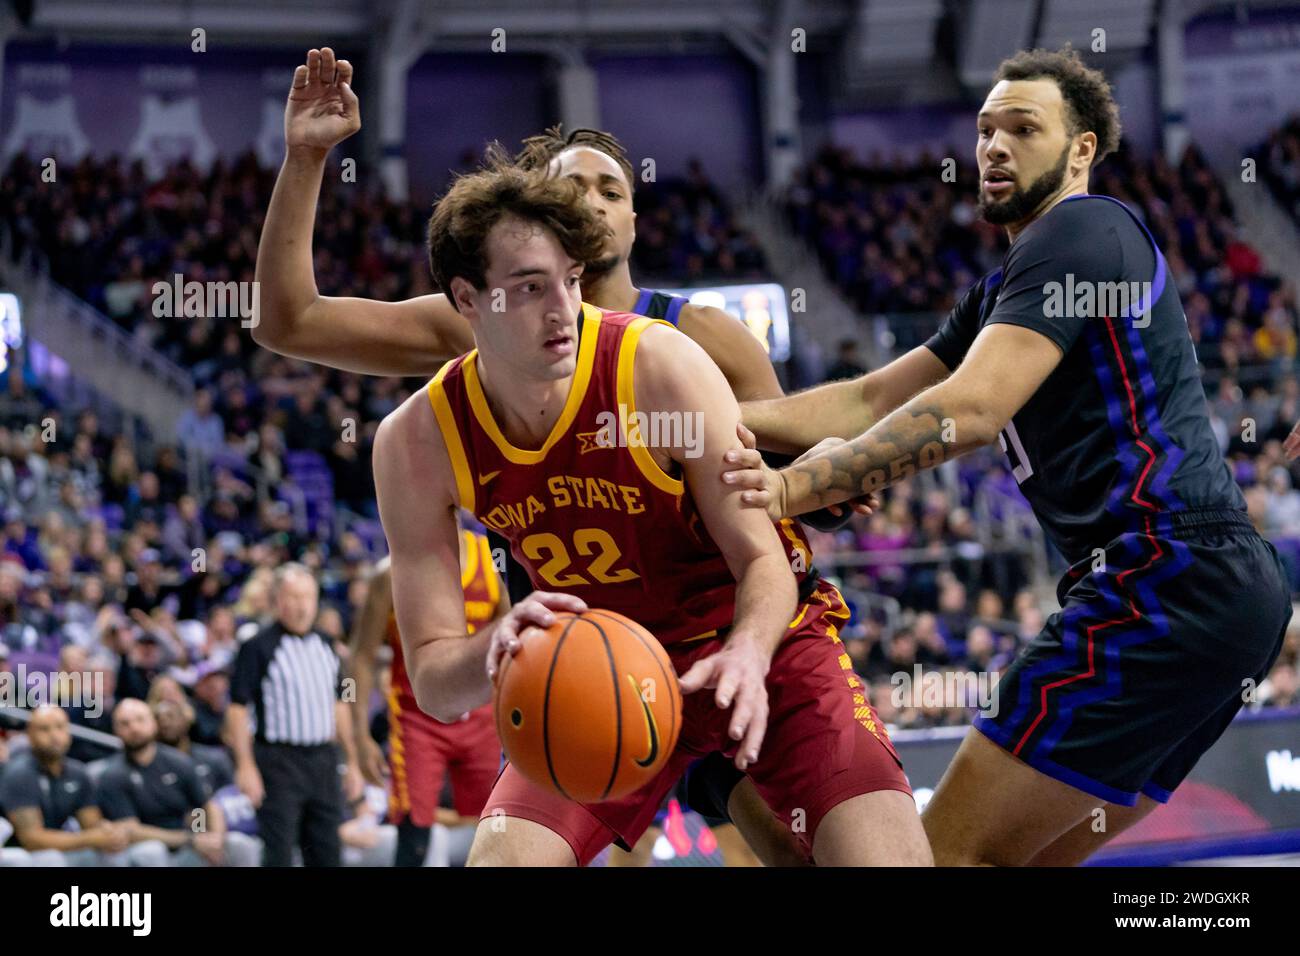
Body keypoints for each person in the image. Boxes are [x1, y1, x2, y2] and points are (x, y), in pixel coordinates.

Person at [252, 47, 836, 866]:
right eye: (571, 184)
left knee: (795, 850)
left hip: (725, 635)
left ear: (634, 219)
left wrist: (831, 477)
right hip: (587, 658)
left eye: (612, 189)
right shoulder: (478, 327)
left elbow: (784, 490)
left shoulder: (696, 342)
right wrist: (307, 160)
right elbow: (287, 323)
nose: (591, 201)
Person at [722, 46, 1293, 866]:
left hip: (1162, 576)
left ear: (1083, 149)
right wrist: (722, 421)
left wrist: (784, 490)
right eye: (986, 130)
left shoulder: (1082, 228)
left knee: (945, 858)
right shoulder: (1005, 288)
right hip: (1218, 596)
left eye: (1023, 129)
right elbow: (869, 400)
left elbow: (971, 411)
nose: (993, 146)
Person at [371, 151, 927, 867]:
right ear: (468, 300)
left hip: (764, 642)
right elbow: (437, 685)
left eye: (570, 280)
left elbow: (762, 557)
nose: (563, 307)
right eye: (531, 287)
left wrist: (750, 653)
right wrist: (498, 642)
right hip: (598, 670)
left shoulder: (661, 365)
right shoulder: (416, 443)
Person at [350, 525, 505, 868]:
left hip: (482, 719)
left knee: (496, 827)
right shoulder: (390, 573)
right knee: (414, 835)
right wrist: (360, 737)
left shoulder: (492, 562)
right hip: (417, 719)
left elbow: (511, 644)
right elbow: (360, 656)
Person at [225, 562, 364, 866]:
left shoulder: (328, 645)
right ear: (277, 600)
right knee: (279, 850)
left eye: (308, 597)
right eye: (294, 597)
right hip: (278, 761)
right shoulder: (257, 646)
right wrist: (245, 766)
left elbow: (340, 705)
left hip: (324, 759)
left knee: (328, 849)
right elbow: (237, 708)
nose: (302, 606)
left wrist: (352, 761)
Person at [97, 699, 240, 866]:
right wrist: (190, 839)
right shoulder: (111, 775)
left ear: (153, 723)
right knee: (152, 851)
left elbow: (204, 806)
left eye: (140, 719)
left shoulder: (179, 762)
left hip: (186, 842)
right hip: (144, 847)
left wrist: (211, 837)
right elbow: (131, 830)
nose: (134, 728)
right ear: (115, 730)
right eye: (125, 724)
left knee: (240, 844)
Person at [0, 706, 129, 866]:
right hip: (19, 853)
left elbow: (90, 824)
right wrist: (92, 838)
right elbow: (31, 839)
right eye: (44, 729)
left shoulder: (78, 772)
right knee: (51, 859)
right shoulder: (18, 773)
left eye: (60, 727)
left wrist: (109, 833)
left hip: (60, 846)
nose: (54, 736)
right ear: (30, 735)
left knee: (111, 853)